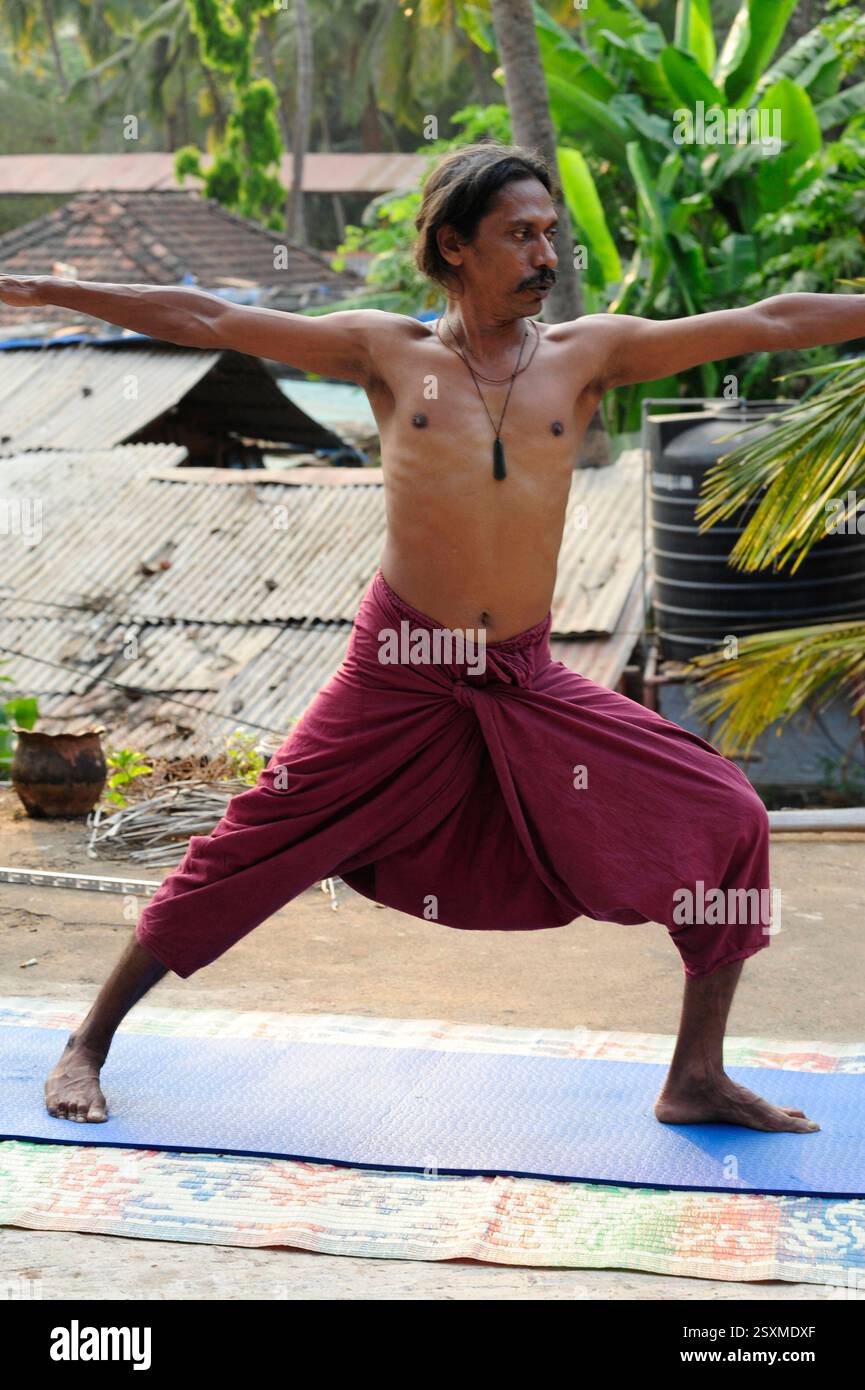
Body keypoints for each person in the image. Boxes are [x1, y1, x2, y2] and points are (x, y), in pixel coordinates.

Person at [7, 141, 861, 1135]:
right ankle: (90, 1040)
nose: (545, 254)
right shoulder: (386, 352)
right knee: (252, 842)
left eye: (551, 233)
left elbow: (766, 319)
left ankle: (695, 1075)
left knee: (727, 811)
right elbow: (211, 316)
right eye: (519, 235)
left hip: (525, 675)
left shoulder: (590, 353)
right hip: (398, 672)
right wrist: (45, 289)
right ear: (454, 246)